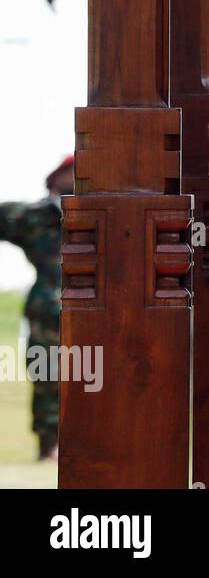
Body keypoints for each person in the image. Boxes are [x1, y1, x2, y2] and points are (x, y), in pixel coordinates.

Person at [0, 156, 73, 460]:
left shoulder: (105, 214)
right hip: (48, 311)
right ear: (54, 179)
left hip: (100, 310)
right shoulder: (35, 216)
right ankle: (49, 446)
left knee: (95, 377)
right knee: (47, 376)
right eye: (70, 171)